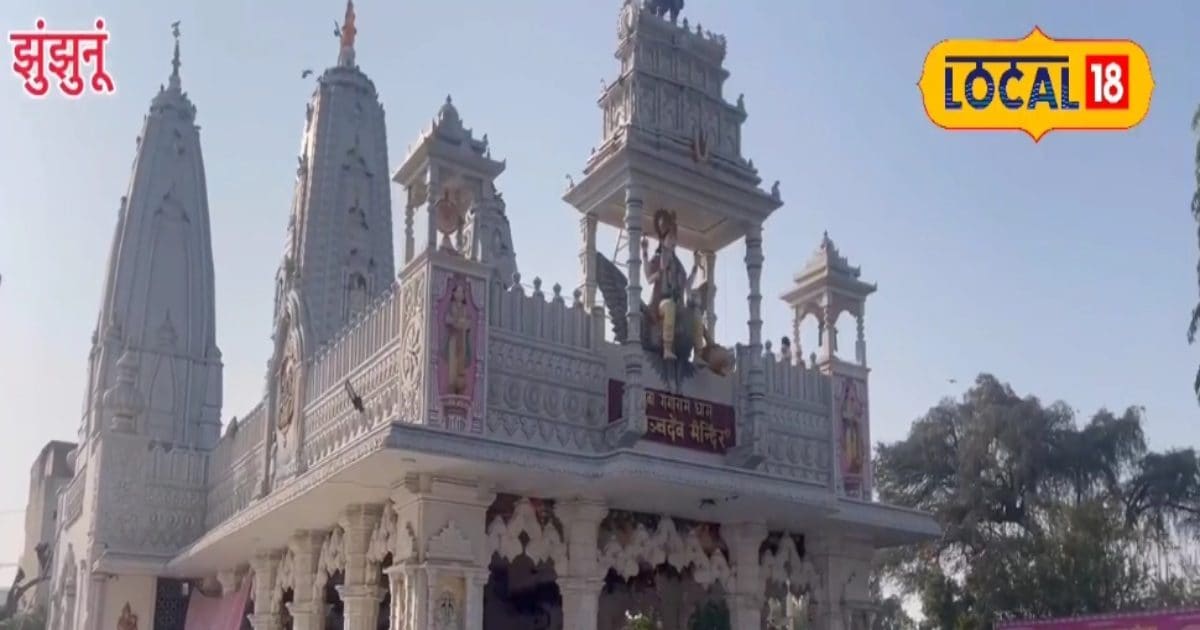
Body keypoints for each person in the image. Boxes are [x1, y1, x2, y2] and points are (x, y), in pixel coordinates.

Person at [642, 209, 703, 361]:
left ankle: (699, 355)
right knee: (669, 305)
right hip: (661, 304)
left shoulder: (678, 265)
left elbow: (686, 286)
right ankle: (667, 349)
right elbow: (649, 277)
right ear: (663, 239)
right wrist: (644, 252)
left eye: (674, 237)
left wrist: (695, 268)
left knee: (696, 313)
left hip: (678, 304)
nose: (673, 240)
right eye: (670, 237)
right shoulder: (659, 258)